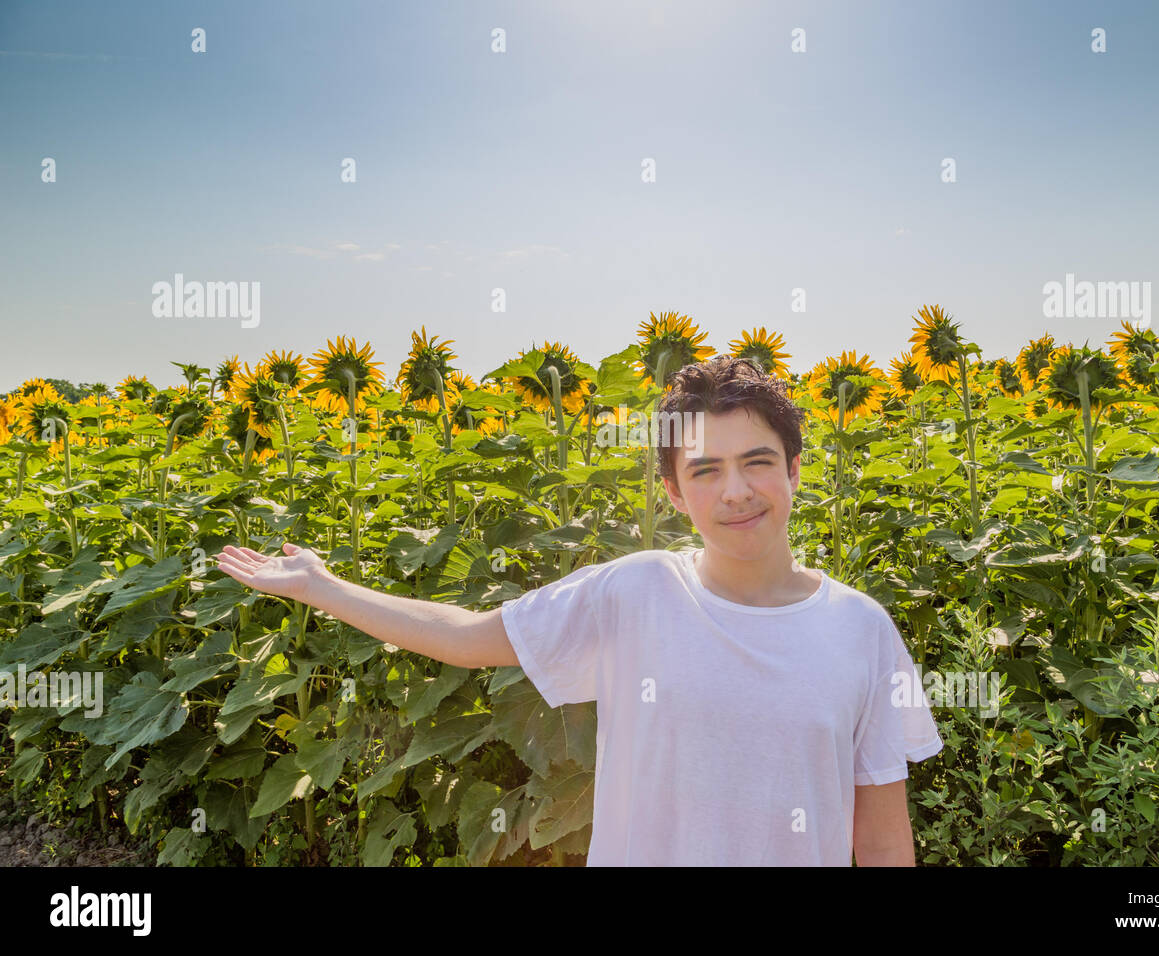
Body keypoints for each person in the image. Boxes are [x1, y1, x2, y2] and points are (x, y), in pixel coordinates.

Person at [216, 354, 943, 866]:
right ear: (673, 493)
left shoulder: (860, 629)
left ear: (792, 469)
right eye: (705, 470)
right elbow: (468, 638)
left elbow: (880, 838)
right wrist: (322, 587)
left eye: (756, 462)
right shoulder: (635, 593)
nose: (735, 492)